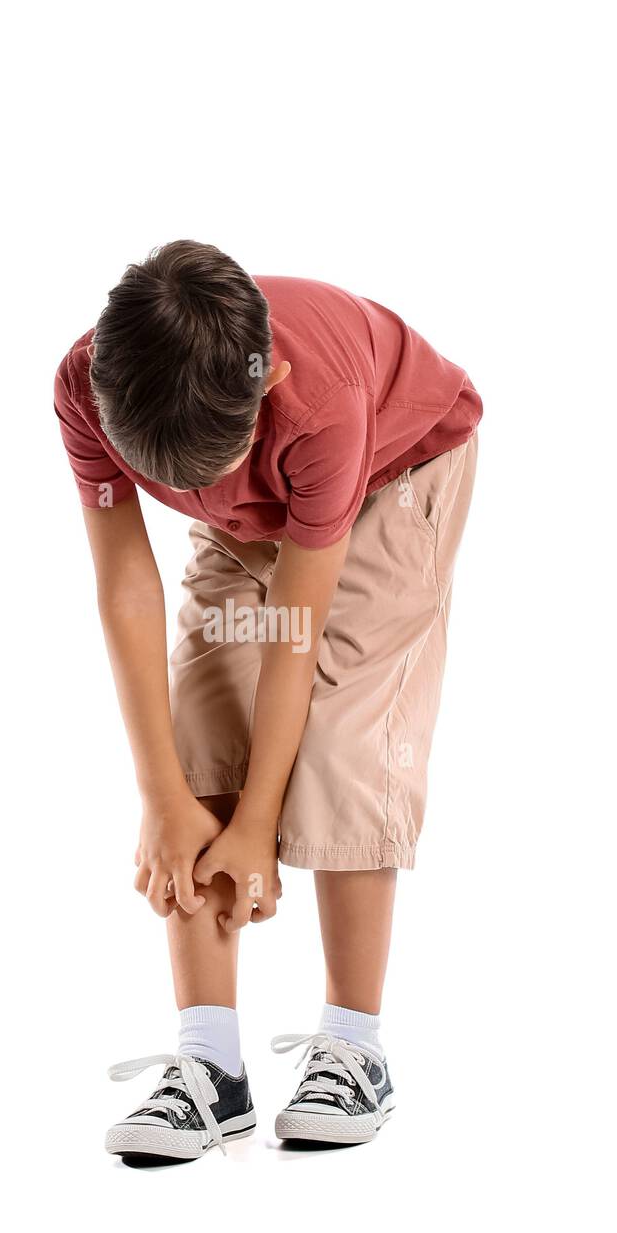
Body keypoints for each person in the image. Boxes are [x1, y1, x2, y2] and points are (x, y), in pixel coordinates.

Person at [54, 241, 481, 1161]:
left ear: (267, 381)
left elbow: (297, 628)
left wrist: (257, 826)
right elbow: (126, 586)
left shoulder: (319, 400)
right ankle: (211, 1066)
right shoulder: (87, 382)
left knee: (341, 746)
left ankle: (355, 1048)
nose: (190, 488)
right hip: (250, 512)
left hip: (388, 475)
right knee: (200, 734)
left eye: (217, 459)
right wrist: (164, 799)